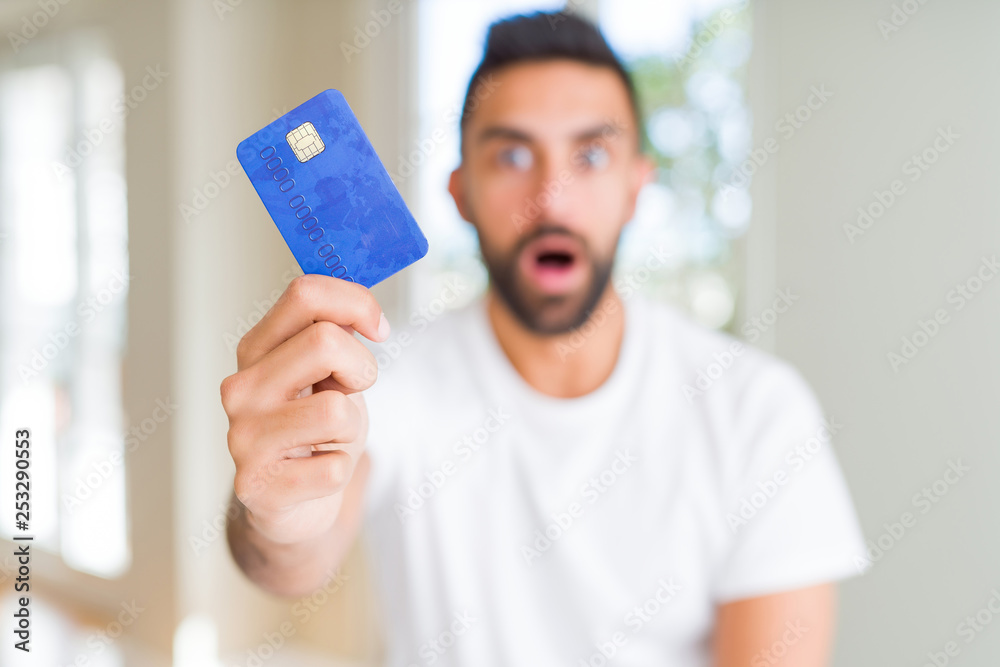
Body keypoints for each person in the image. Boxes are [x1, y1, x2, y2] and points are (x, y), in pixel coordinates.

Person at [222, 11, 867, 666]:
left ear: (635, 188)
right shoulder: (385, 382)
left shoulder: (758, 411)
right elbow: (290, 560)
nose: (551, 199)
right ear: (461, 191)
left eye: (590, 155)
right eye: (512, 155)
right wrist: (280, 517)